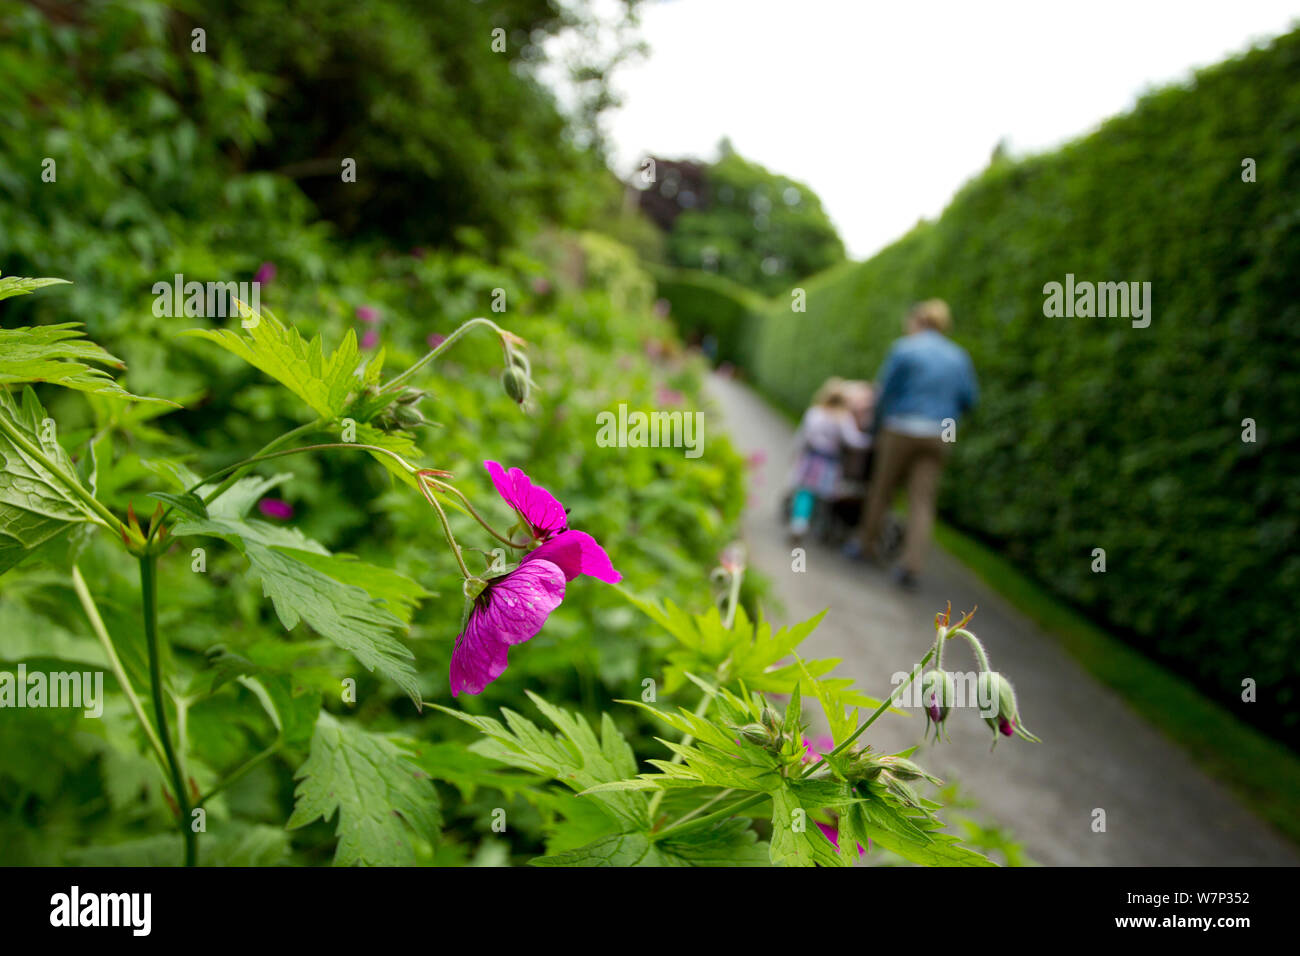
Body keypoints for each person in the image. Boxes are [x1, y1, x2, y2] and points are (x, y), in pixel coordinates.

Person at [852, 300, 977, 589]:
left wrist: (874, 427)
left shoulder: (905, 348)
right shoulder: (959, 357)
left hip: (903, 426)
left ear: (917, 321)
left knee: (882, 490)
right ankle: (912, 566)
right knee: (921, 500)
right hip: (940, 433)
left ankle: (866, 547)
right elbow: (970, 399)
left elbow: (885, 392)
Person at [787, 378, 871, 544]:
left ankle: (799, 523)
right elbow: (853, 440)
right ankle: (821, 527)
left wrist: (795, 453)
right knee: (825, 499)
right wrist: (871, 441)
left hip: (812, 459)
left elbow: (803, 436)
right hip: (829, 463)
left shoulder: (815, 413)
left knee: (805, 493)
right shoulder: (843, 418)